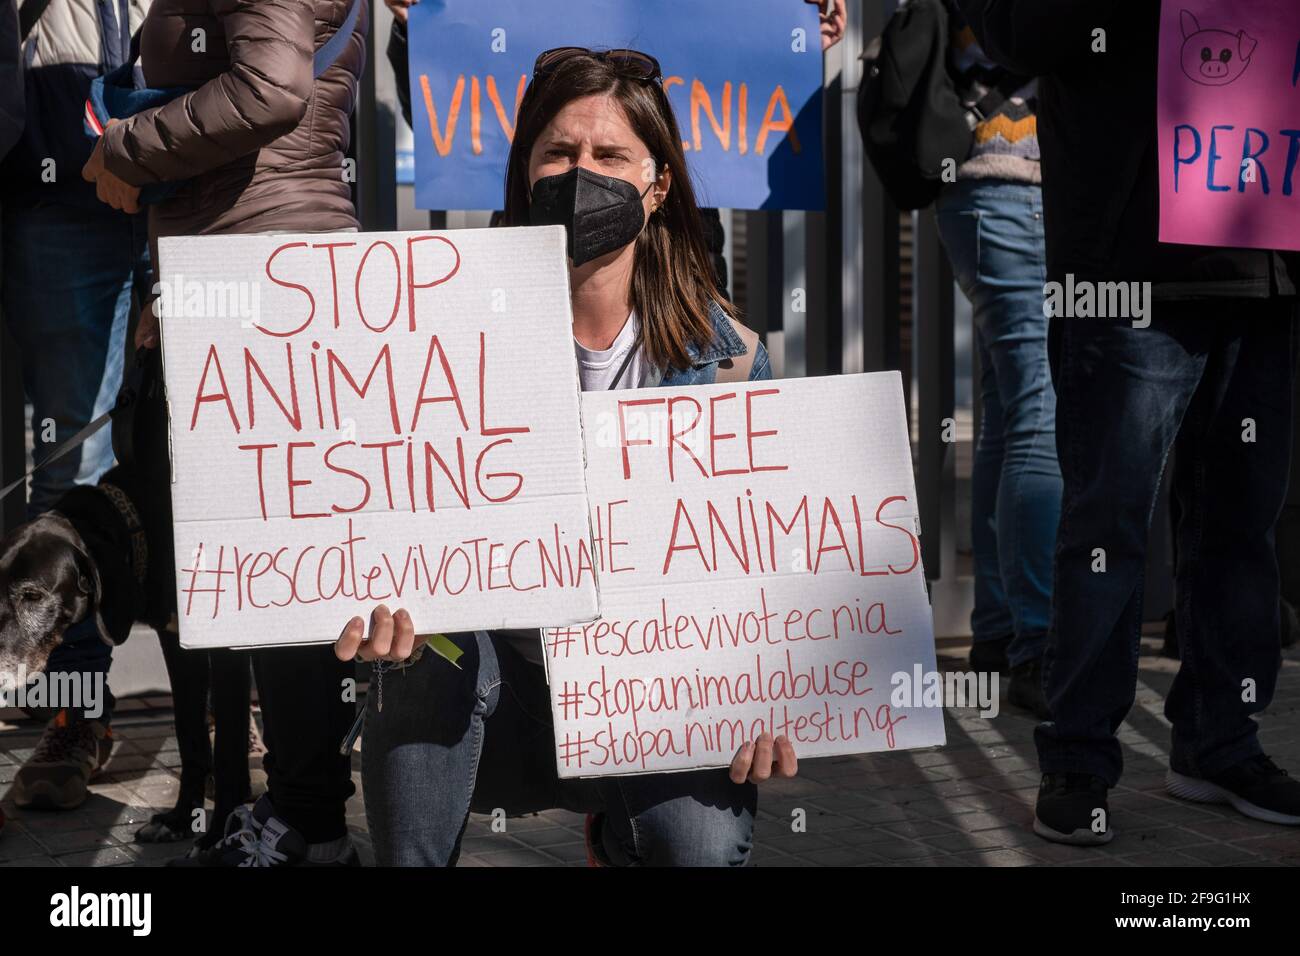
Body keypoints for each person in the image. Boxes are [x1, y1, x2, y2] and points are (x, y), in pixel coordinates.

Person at [337, 45, 789, 867]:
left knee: (694, 846)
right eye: (560, 153)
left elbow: (761, 579)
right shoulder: (441, 341)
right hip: (498, 704)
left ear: (657, 187)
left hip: (657, 711)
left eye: (611, 156)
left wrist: (770, 697)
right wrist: (377, 603)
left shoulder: (728, 361)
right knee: (427, 661)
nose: (583, 174)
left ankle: (625, 829)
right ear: (526, 176)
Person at [962, 0, 1300, 844]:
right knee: (1108, 522)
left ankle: (1220, 742)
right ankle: (1077, 758)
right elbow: (1013, 29)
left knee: (1242, 527)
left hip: (1268, 259)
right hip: (1130, 270)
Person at [81, 0, 369, 865]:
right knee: (281, 576)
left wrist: (122, 147)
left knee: (286, 580)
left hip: (263, 277)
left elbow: (272, 90)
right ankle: (300, 816)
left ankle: (307, 824)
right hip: (251, 266)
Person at [1, 0, 151, 814]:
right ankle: (76, 715)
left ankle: (231, 716)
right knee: (68, 475)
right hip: (59, 192)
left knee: (219, 464)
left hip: (196, 190)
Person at [934, 1, 1056, 718]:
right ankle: (1037, 644)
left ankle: (1002, 632)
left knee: (1011, 414)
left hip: (986, 189)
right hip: (1018, 183)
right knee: (1038, 408)